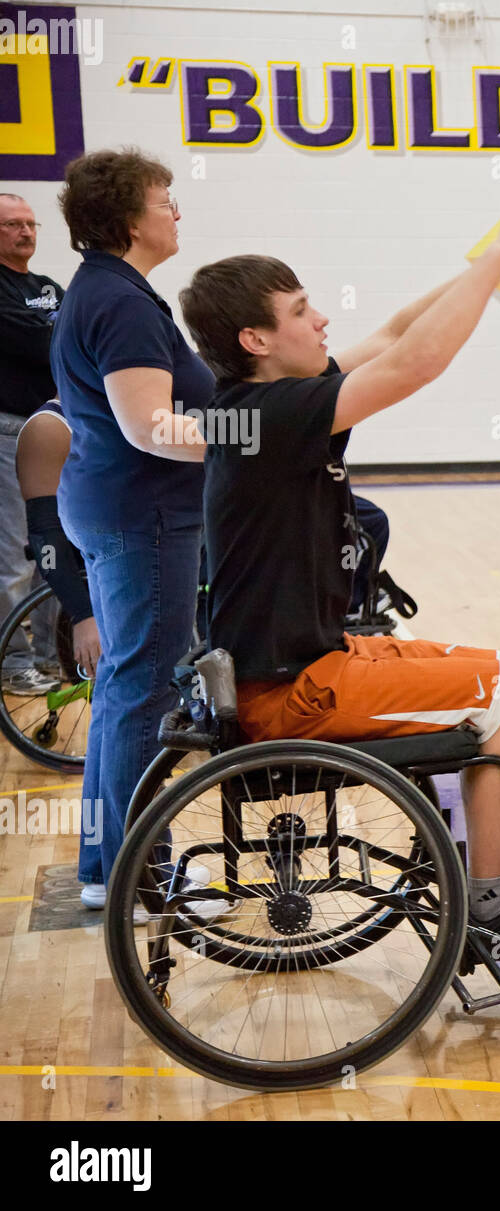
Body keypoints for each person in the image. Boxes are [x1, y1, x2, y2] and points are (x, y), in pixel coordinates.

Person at [177, 184, 500, 965]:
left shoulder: (253, 406)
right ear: (257, 338)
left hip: (295, 660)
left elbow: (397, 332)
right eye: (303, 310)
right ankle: (491, 911)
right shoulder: (279, 417)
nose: (322, 320)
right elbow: (419, 360)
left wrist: (490, 259)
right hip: (292, 690)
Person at [50, 149, 213, 912]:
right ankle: (141, 876)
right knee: (143, 689)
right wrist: (255, 433)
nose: (175, 211)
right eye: (164, 200)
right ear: (127, 219)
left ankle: (104, 864)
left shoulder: (108, 291)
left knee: (124, 687)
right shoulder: (117, 302)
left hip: (116, 503)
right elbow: (151, 427)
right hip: (142, 512)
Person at [0, 193, 65, 694]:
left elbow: (71, 341)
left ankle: (53, 657)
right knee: (15, 555)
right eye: (12, 225)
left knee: (57, 548)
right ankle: (12, 663)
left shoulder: (47, 287)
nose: (25, 232)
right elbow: (46, 346)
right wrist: (60, 336)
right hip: (10, 432)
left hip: (57, 431)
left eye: (30, 223)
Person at [15, 399, 100, 676]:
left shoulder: (135, 409)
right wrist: (83, 614)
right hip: (97, 564)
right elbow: (45, 542)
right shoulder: (48, 428)